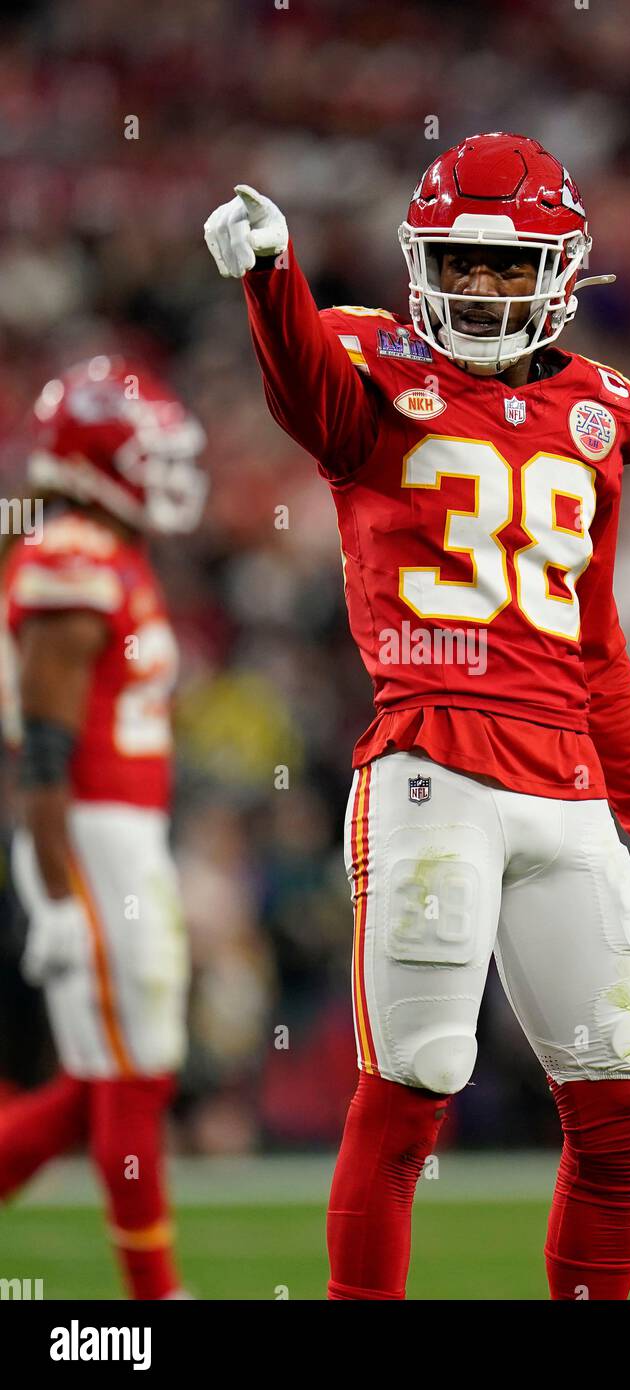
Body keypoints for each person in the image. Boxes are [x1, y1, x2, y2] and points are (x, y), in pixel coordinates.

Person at [204, 131, 630, 1300]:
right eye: (457, 261)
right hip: (434, 766)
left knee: (624, 1101)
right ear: (420, 263)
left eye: (504, 263)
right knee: (416, 1080)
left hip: (568, 786)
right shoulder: (371, 370)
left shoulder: (598, 412)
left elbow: (594, 642)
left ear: (560, 271)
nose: (477, 284)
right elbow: (305, 393)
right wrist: (270, 277)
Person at [0, 355, 207, 1299]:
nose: (164, 473)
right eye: (145, 453)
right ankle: (157, 1296)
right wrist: (55, 893)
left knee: (108, 1080)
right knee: (136, 1074)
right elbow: (44, 751)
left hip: (119, 837)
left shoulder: (109, 552)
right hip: (87, 837)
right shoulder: (71, 558)